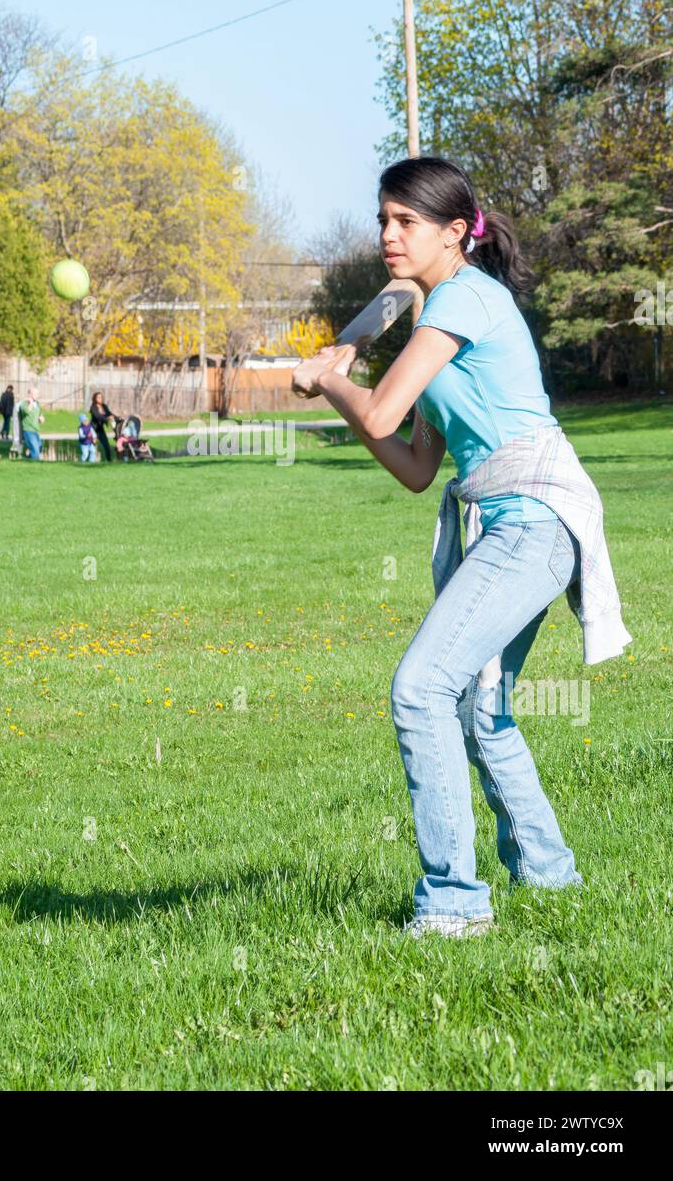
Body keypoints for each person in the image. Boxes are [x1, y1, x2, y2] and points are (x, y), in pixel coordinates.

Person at [291, 155, 631, 940]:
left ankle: (453, 904)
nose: (387, 235)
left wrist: (331, 380)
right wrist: (344, 381)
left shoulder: (465, 302)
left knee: (419, 690)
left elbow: (373, 412)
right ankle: (547, 876)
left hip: (533, 518)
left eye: (405, 222)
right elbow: (412, 464)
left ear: (454, 232)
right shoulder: (437, 322)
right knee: (480, 710)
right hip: (505, 519)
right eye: (382, 219)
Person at [18, 387, 45, 461]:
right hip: (28, 430)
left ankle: (29, 460)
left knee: (39, 448)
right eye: (35, 393)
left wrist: (41, 419)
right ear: (30, 394)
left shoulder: (37, 404)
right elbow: (27, 411)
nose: (38, 395)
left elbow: (39, 415)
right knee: (35, 450)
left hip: (36, 430)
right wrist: (31, 402)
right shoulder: (24, 403)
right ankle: (35, 464)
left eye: (38, 393)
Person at [89, 390, 115, 464]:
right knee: (92, 445)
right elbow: (98, 416)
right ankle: (88, 461)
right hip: (93, 428)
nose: (100, 398)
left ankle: (109, 461)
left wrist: (116, 417)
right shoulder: (93, 407)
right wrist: (107, 418)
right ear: (95, 398)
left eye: (101, 397)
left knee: (106, 444)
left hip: (100, 429)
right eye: (98, 397)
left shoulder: (104, 406)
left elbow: (109, 414)